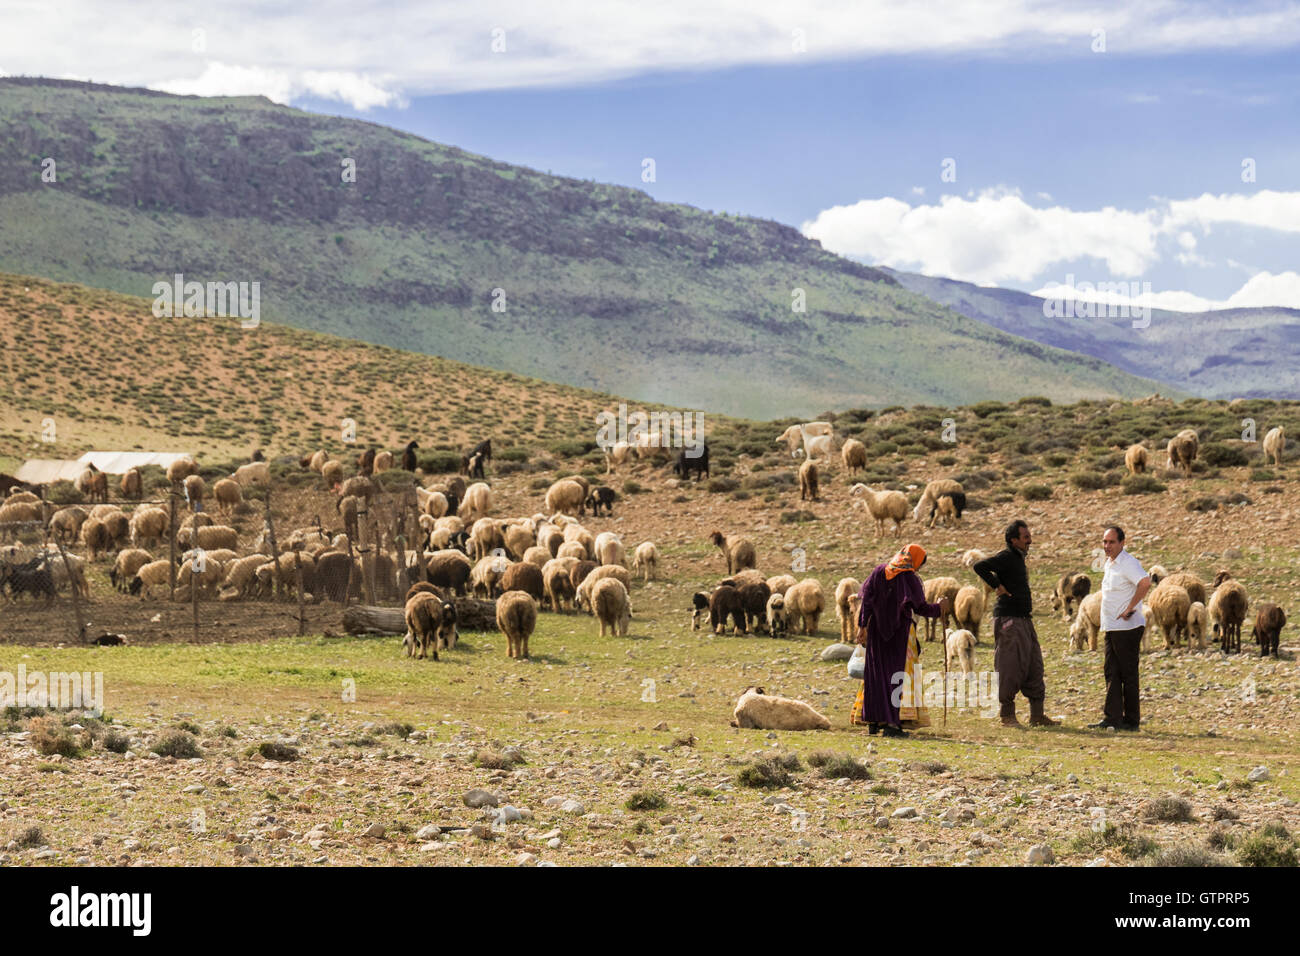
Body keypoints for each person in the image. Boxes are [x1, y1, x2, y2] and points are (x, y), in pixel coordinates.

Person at [852, 544, 951, 738]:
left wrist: (862, 626)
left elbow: (867, 601)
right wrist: (940, 607)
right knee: (896, 676)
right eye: (919, 564)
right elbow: (921, 608)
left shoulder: (879, 571)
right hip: (899, 635)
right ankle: (891, 724)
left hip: (876, 633)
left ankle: (873, 721)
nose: (918, 569)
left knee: (876, 675)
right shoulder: (909, 578)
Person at [972, 520, 1060, 728]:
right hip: (1009, 620)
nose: (1030, 541)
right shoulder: (1006, 557)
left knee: (1034, 664)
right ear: (1014, 540)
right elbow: (980, 566)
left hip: (1024, 619)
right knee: (1010, 664)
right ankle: (1007, 716)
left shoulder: (1018, 559)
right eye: (1025, 537)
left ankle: (1037, 715)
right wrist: (997, 586)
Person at [1091, 525, 1151, 731]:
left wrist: (1130, 607)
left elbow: (1145, 582)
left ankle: (1131, 720)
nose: (1107, 546)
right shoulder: (1109, 563)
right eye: (1105, 542)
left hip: (1127, 628)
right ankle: (1112, 718)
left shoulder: (1128, 563)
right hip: (1112, 627)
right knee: (1111, 671)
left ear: (1122, 543)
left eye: (1111, 542)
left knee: (1128, 674)